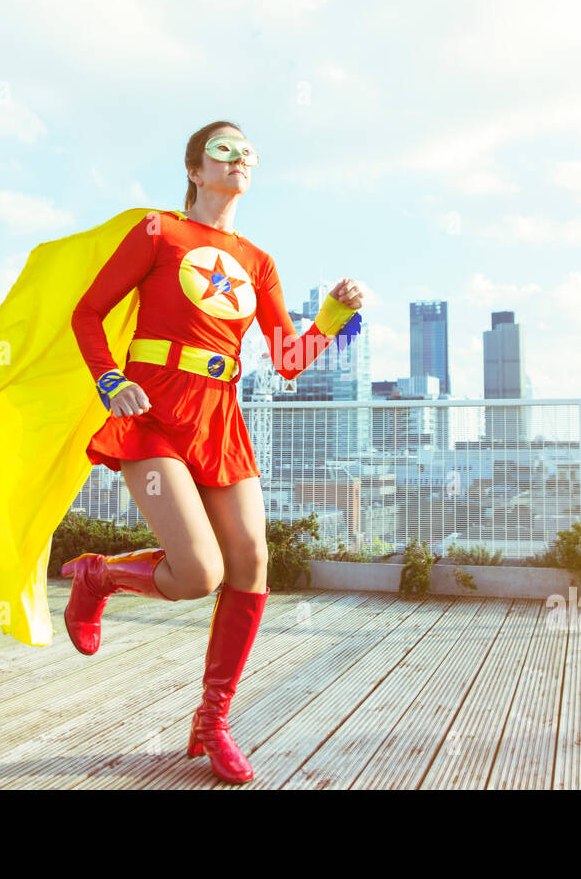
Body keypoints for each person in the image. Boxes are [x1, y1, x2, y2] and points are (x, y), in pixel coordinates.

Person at [62, 121, 364, 785]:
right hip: (152, 410)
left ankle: (214, 722)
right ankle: (97, 578)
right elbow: (88, 313)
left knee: (252, 558)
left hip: (220, 416)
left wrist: (331, 321)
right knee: (197, 573)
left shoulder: (258, 261)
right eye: (224, 151)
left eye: (248, 153)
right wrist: (112, 381)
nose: (240, 160)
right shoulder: (157, 233)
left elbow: (287, 361)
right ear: (195, 170)